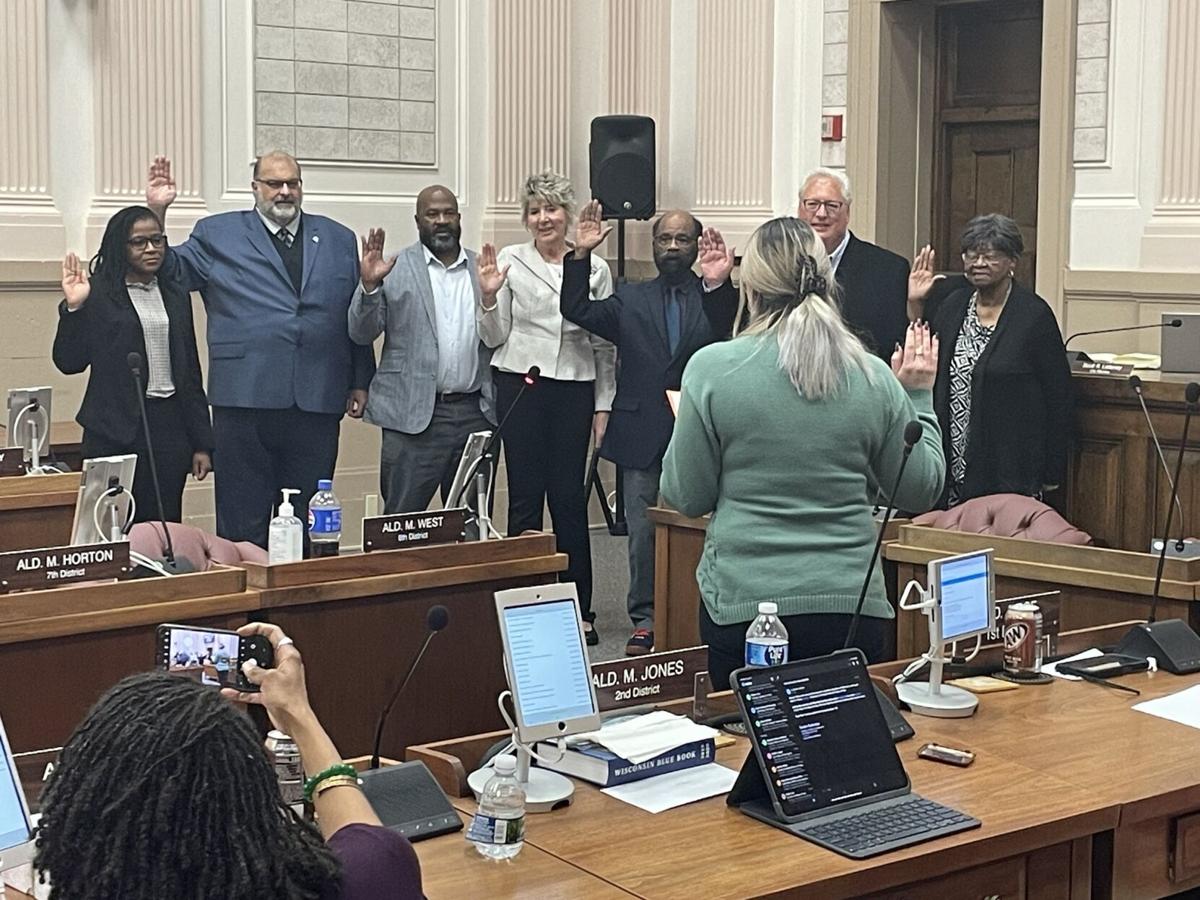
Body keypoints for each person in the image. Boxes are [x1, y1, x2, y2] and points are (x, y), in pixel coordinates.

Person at [659, 217, 945, 689]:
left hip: (745, 604)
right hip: (851, 605)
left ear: (751, 288)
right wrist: (917, 396)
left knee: (752, 733)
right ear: (826, 280)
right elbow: (919, 489)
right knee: (844, 734)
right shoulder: (871, 374)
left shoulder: (712, 370)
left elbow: (686, 496)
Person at [34, 623, 423, 899]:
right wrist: (298, 715)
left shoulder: (96, 879)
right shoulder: (373, 875)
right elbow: (367, 841)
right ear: (256, 792)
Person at [145, 154, 374, 548]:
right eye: (274, 183)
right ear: (255, 188)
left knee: (311, 522)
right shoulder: (217, 233)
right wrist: (157, 212)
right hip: (244, 399)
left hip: (316, 398)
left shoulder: (338, 237)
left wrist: (359, 378)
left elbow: (350, 311)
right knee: (242, 522)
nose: (284, 192)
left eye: (292, 183)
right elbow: (171, 271)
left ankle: (305, 586)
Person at [561, 200, 737, 656]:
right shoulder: (630, 297)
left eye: (682, 239)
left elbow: (726, 329)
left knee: (701, 526)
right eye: (665, 239)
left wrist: (718, 284)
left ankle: (698, 613)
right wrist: (580, 255)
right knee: (641, 533)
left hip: (699, 431)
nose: (673, 246)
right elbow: (576, 308)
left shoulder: (715, 295)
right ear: (654, 245)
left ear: (696, 246)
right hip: (641, 433)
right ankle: (646, 618)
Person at [476, 172, 615, 644]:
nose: (543, 219)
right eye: (534, 211)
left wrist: (604, 405)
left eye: (551, 209)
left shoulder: (594, 267)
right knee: (524, 495)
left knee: (569, 499)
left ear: (567, 214)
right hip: (521, 383)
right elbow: (493, 336)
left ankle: (579, 609)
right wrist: (489, 296)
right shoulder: (510, 259)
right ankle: (521, 603)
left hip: (574, 385)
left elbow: (604, 344)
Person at [52, 205, 212, 523]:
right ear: (120, 246)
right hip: (115, 429)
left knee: (163, 525)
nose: (151, 249)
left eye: (157, 240)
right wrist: (75, 308)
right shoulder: (98, 292)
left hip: (169, 427)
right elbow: (69, 362)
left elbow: (189, 371)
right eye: (139, 242)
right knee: (112, 525)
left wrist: (202, 443)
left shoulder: (175, 292)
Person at [909, 214, 1072, 506]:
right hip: (951, 456)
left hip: (1009, 465)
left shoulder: (1034, 316)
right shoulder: (952, 305)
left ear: (1012, 262)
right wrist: (916, 303)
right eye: (972, 255)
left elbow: (1058, 397)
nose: (979, 263)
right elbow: (922, 355)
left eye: (991, 256)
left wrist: (1052, 470)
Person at [350, 185, 495, 514]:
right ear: (418, 221)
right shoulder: (394, 267)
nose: (441, 221)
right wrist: (369, 287)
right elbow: (361, 333)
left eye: (448, 213)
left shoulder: (482, 268)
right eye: (432, 214)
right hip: (412, 416)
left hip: (474, 413)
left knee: (472, 522)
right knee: (402, 523)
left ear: (458, 218)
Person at [797, 168, 909, 358]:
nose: (821, 213)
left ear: (847, 212)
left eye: (832, 205)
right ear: (800, 210)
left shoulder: (889, 270)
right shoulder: (778, 264)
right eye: (812, 204)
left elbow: (892, 345)